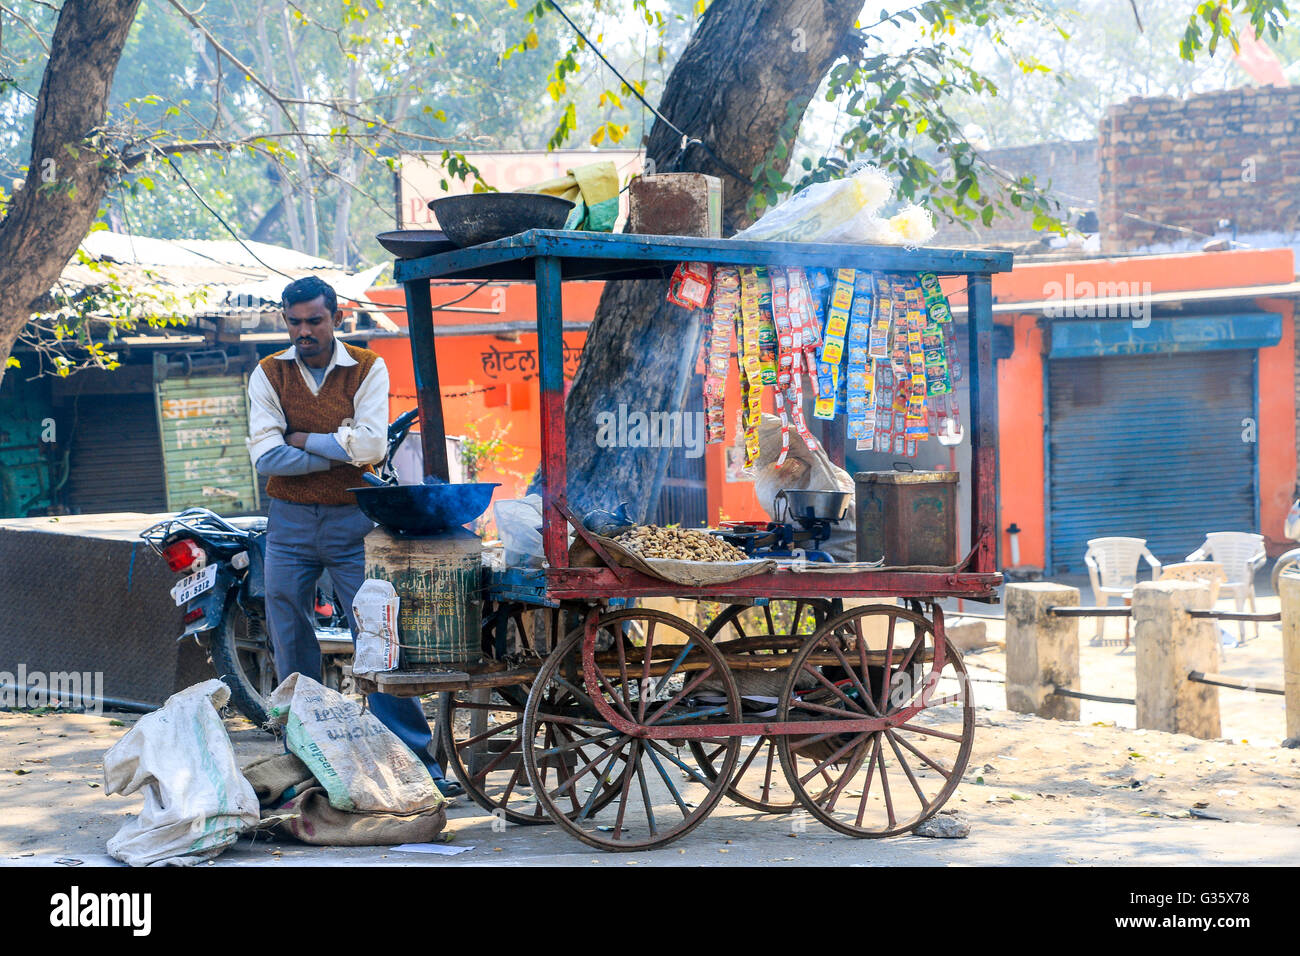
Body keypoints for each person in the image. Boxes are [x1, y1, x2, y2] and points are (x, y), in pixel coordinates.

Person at [245, 275, 463, 797]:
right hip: (290, 520)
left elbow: (371, 449)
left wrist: (304, 438)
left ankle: (416, 763)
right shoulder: (267, 373)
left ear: (337, 318)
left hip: (352, 519)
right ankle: (304, 755)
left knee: (379, 636)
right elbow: (265, 457)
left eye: (314, 320)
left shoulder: (368, 366)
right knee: (288, 634)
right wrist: (338, 446)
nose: (303, 331)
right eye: (294, 322)